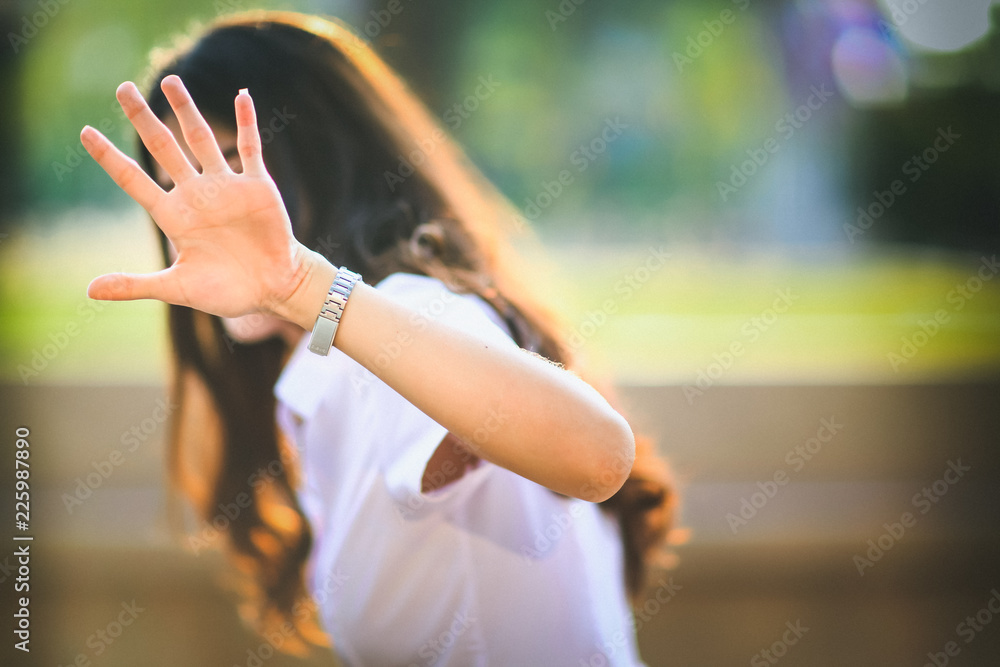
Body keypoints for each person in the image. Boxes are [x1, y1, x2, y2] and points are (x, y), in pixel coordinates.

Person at [81, 11, 674, 665]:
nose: (202, 217)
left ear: (330, 161)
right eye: (176, 189)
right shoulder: (330, 359)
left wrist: (298, 284)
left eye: (231, 170)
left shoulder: (403, 323)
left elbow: (595, 455)